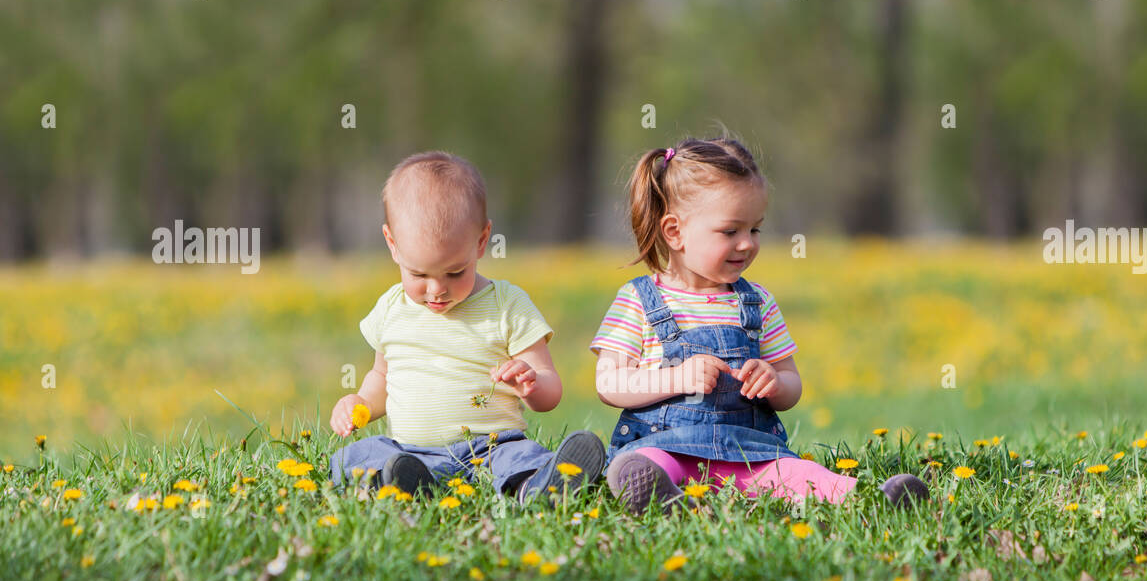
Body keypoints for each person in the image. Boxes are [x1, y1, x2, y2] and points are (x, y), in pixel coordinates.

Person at [591, 136, 926, 513]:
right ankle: (661, 497)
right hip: (667, 446)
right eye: (730, 231)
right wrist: (676, 378)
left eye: (755, 230)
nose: (747, 244)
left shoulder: (756, 303)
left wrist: (773, 381)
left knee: (798, 472)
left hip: (750, 453)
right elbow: (609, 383)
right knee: (639, 465)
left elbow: (791, 385)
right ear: (674, 232)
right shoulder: (638, 299)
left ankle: (871, 501)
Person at [329, 150, 604, 503]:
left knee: (522, 458)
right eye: (419, 274)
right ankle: (408, 483)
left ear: (481, 241)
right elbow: (382, 377)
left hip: (492, 449)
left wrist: (531, 383)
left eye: (455, 272)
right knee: (354, 457)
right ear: (392, 245)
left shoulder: (506, 304)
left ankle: (540, 487)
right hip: (412, 452)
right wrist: (360, 401)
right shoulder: (390, 307)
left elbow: (550, 392)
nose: (436, 289)